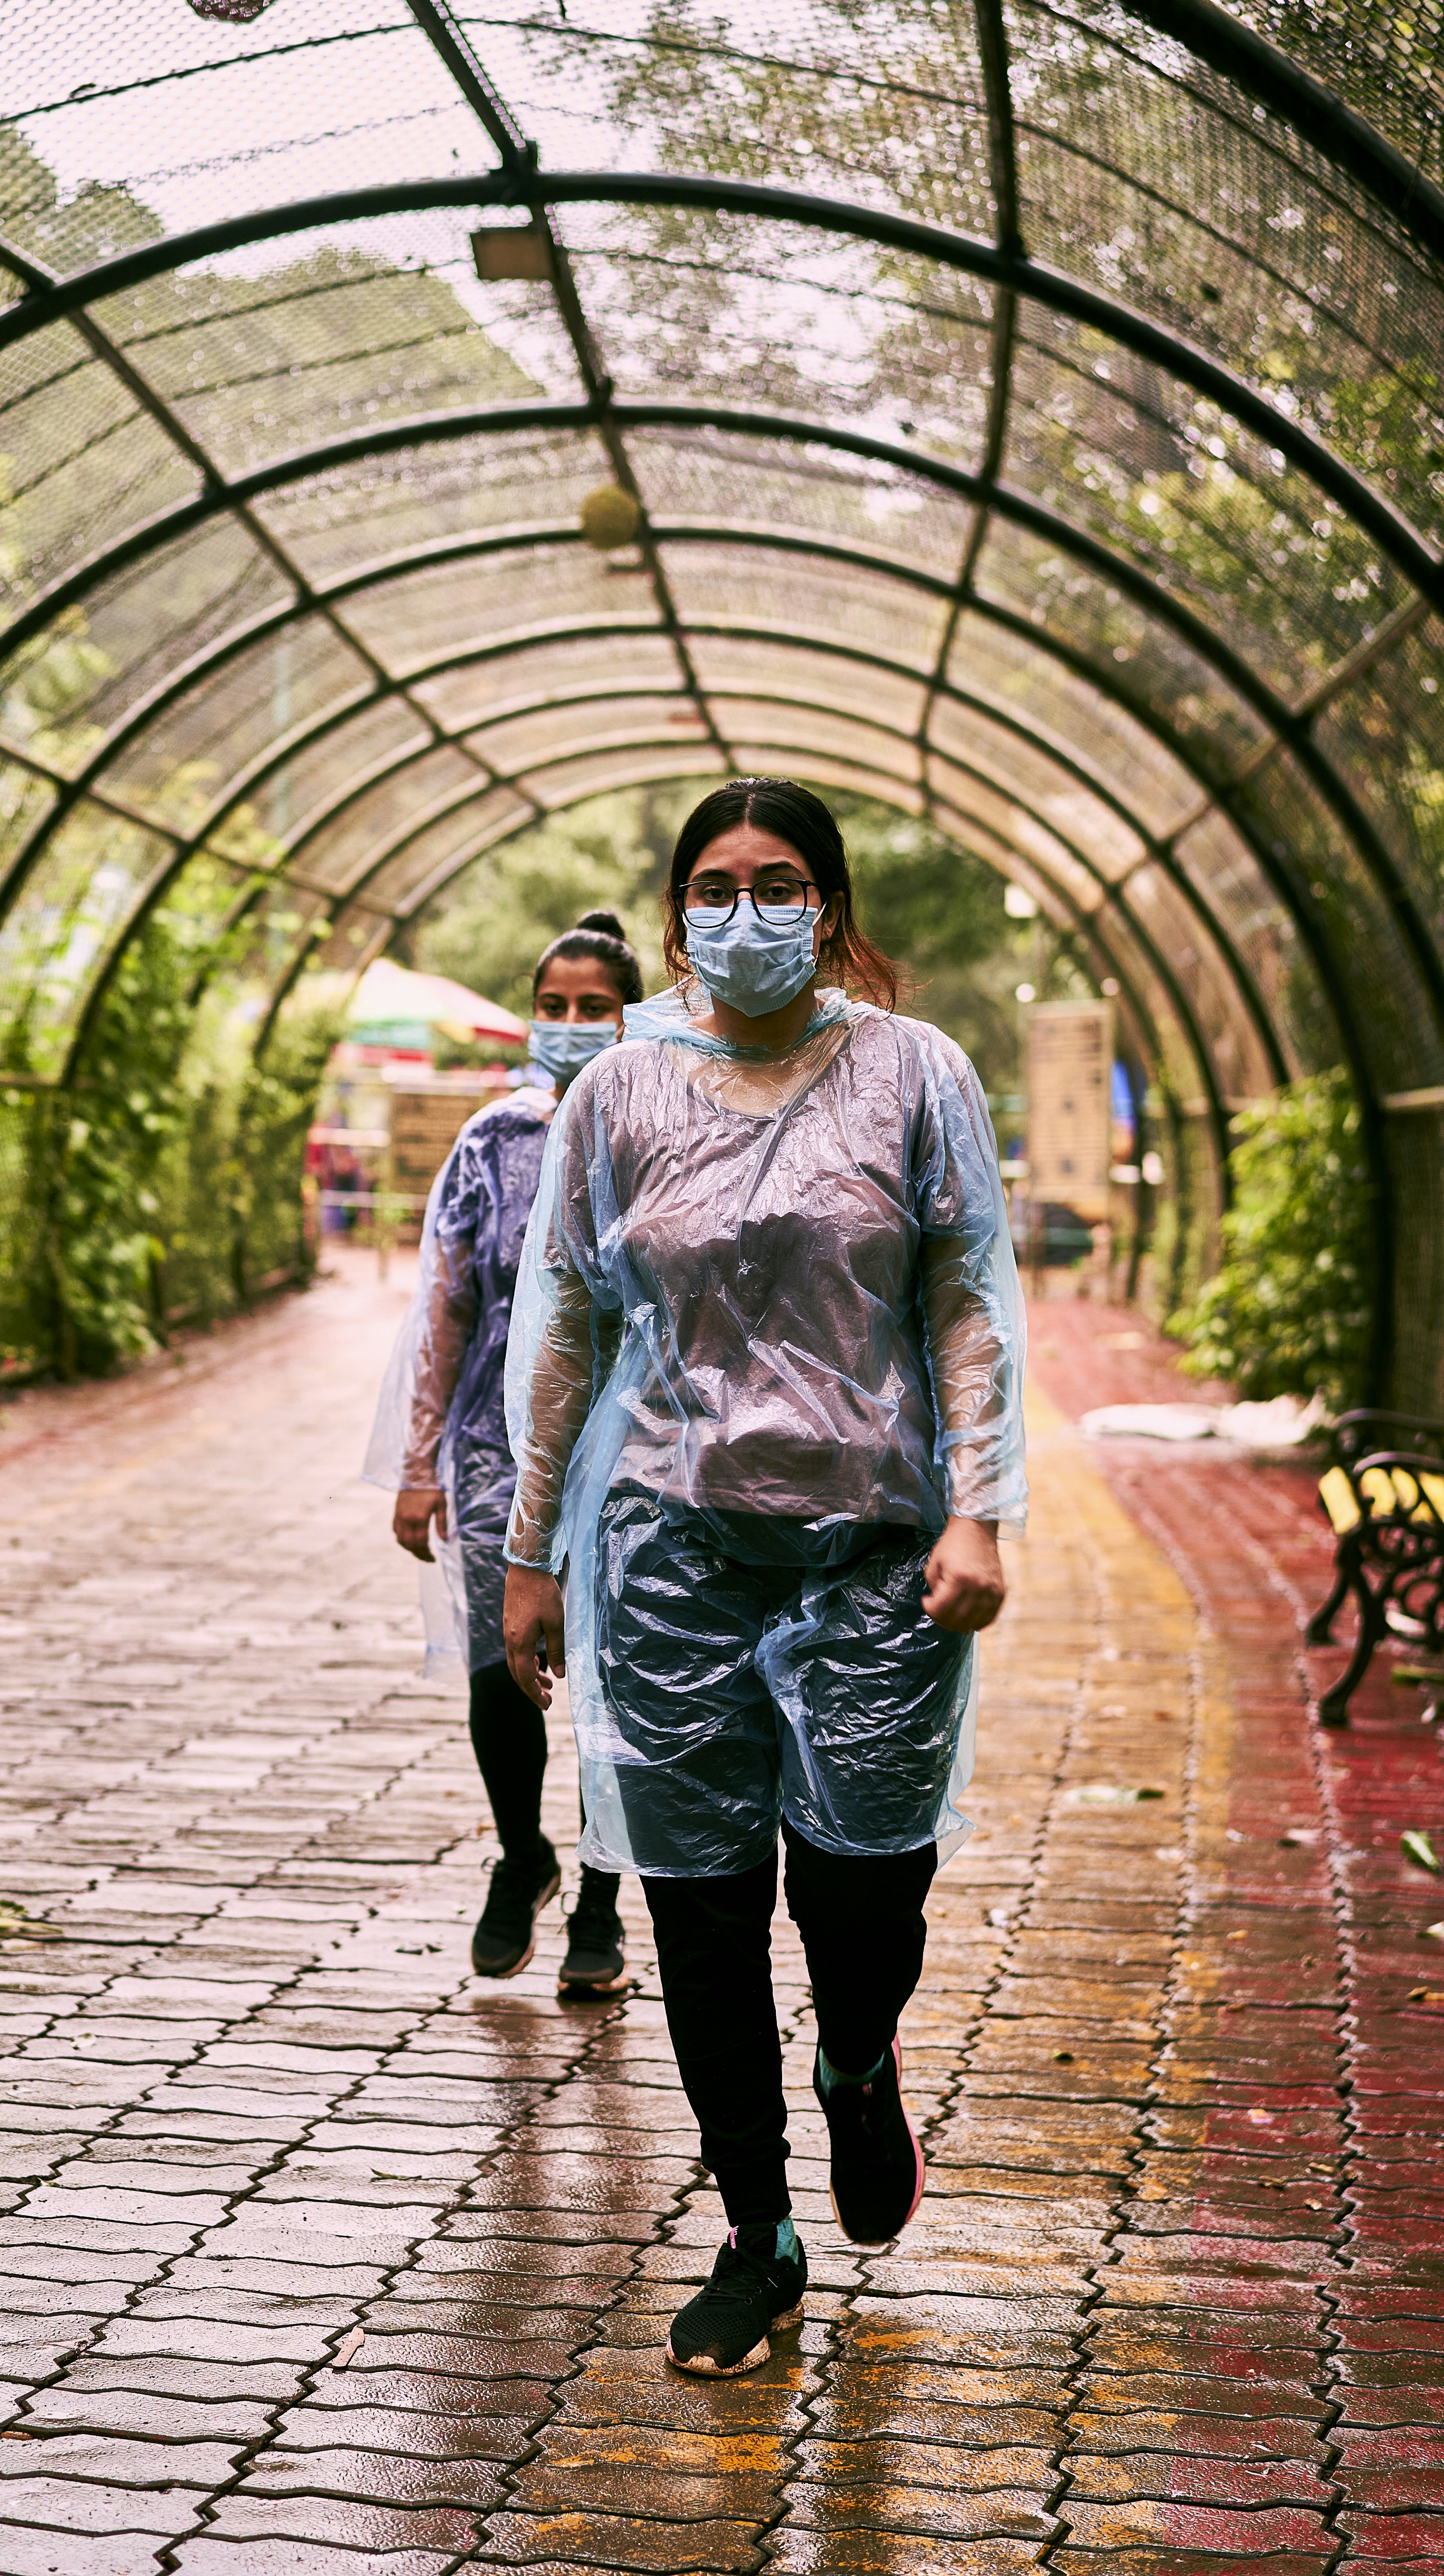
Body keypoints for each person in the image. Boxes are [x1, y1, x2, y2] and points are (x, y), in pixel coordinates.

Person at [501, 780, 1025, 2378]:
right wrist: (529, 1551)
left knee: (864, 1884)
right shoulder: (619, 1092)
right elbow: (569, 1324)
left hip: (877, 1546)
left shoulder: (916, 1075)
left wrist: (981, 1509)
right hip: (669, 1545)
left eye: (781, 880)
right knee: (702, 1908)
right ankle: (756, 2230)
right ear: (678, 920)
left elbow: (967, 1297)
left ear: (833, 906)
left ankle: (858, 2062)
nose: (749, 910)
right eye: (718, 886)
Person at [366, 912, 645, 1992]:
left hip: (625, 1446)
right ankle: (521, 1852)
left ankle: (600, 1901)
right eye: (554, 1007)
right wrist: (416, 1456)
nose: (570, 1026)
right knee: (501, 1664)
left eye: (593, 1009)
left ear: (633, 1018)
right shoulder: (491, 1140)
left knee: (612, 1674)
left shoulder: (656, 1127)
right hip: (491, 1446)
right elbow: (444, 1302)